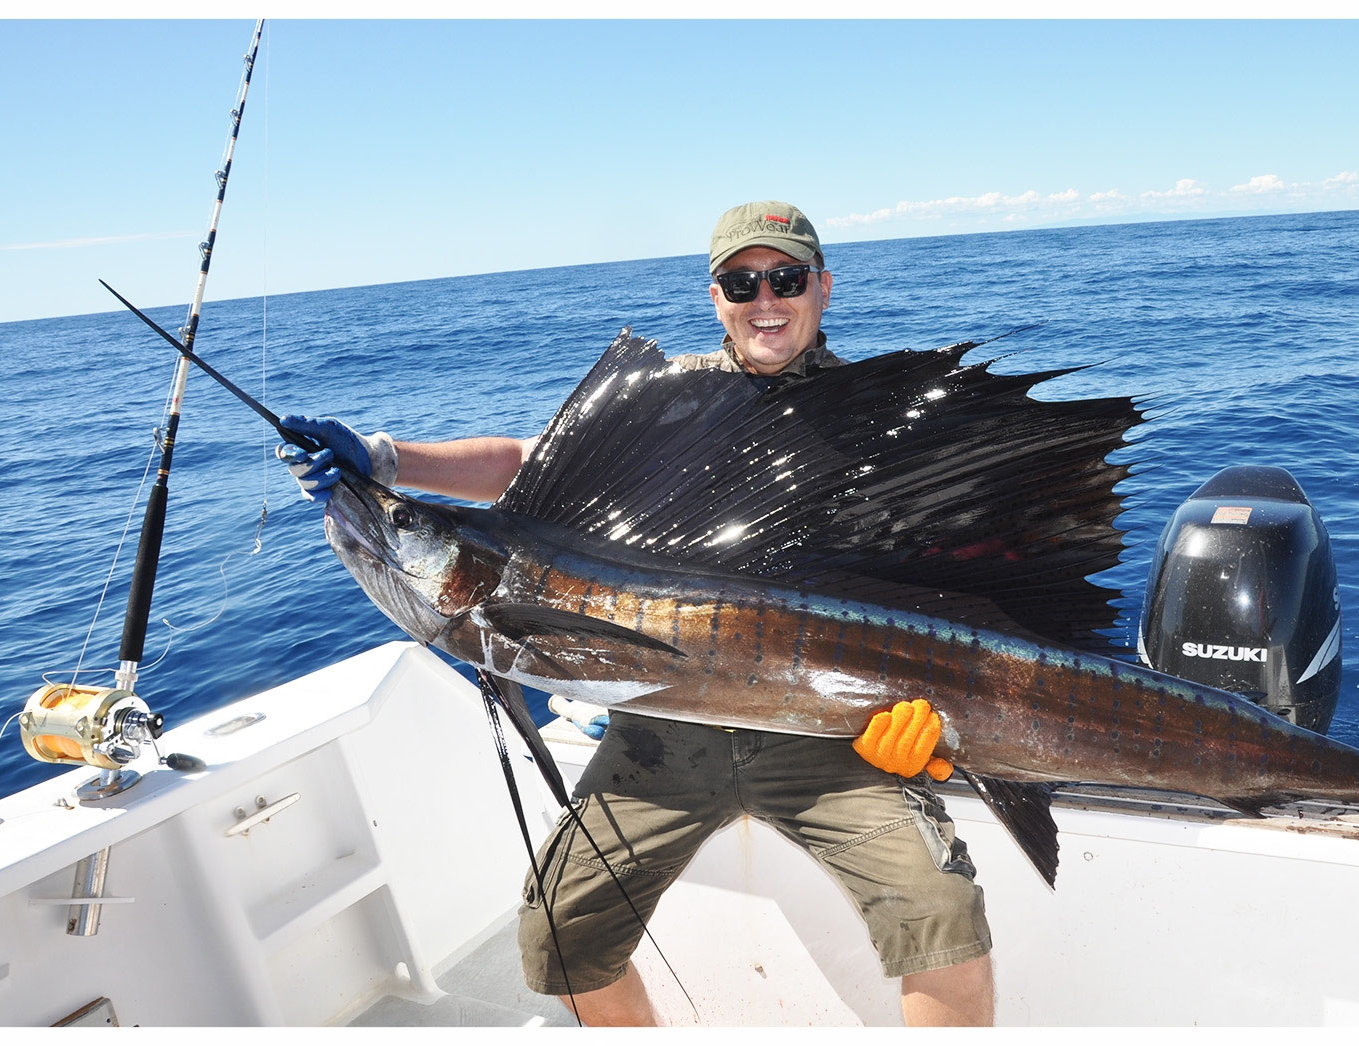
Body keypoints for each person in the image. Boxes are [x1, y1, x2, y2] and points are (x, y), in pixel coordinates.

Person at [277, 201, 995, 1026]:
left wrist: (933, 716)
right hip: (660, 731)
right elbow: (525, 467)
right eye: (741, 281)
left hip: (829, 729)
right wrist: (384, 460)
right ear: (716, 296)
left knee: (942, 917)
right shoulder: (666, 399)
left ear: (822, 288)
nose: (765, 298)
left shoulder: (877, 418)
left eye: (786, 278)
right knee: (558, 935)